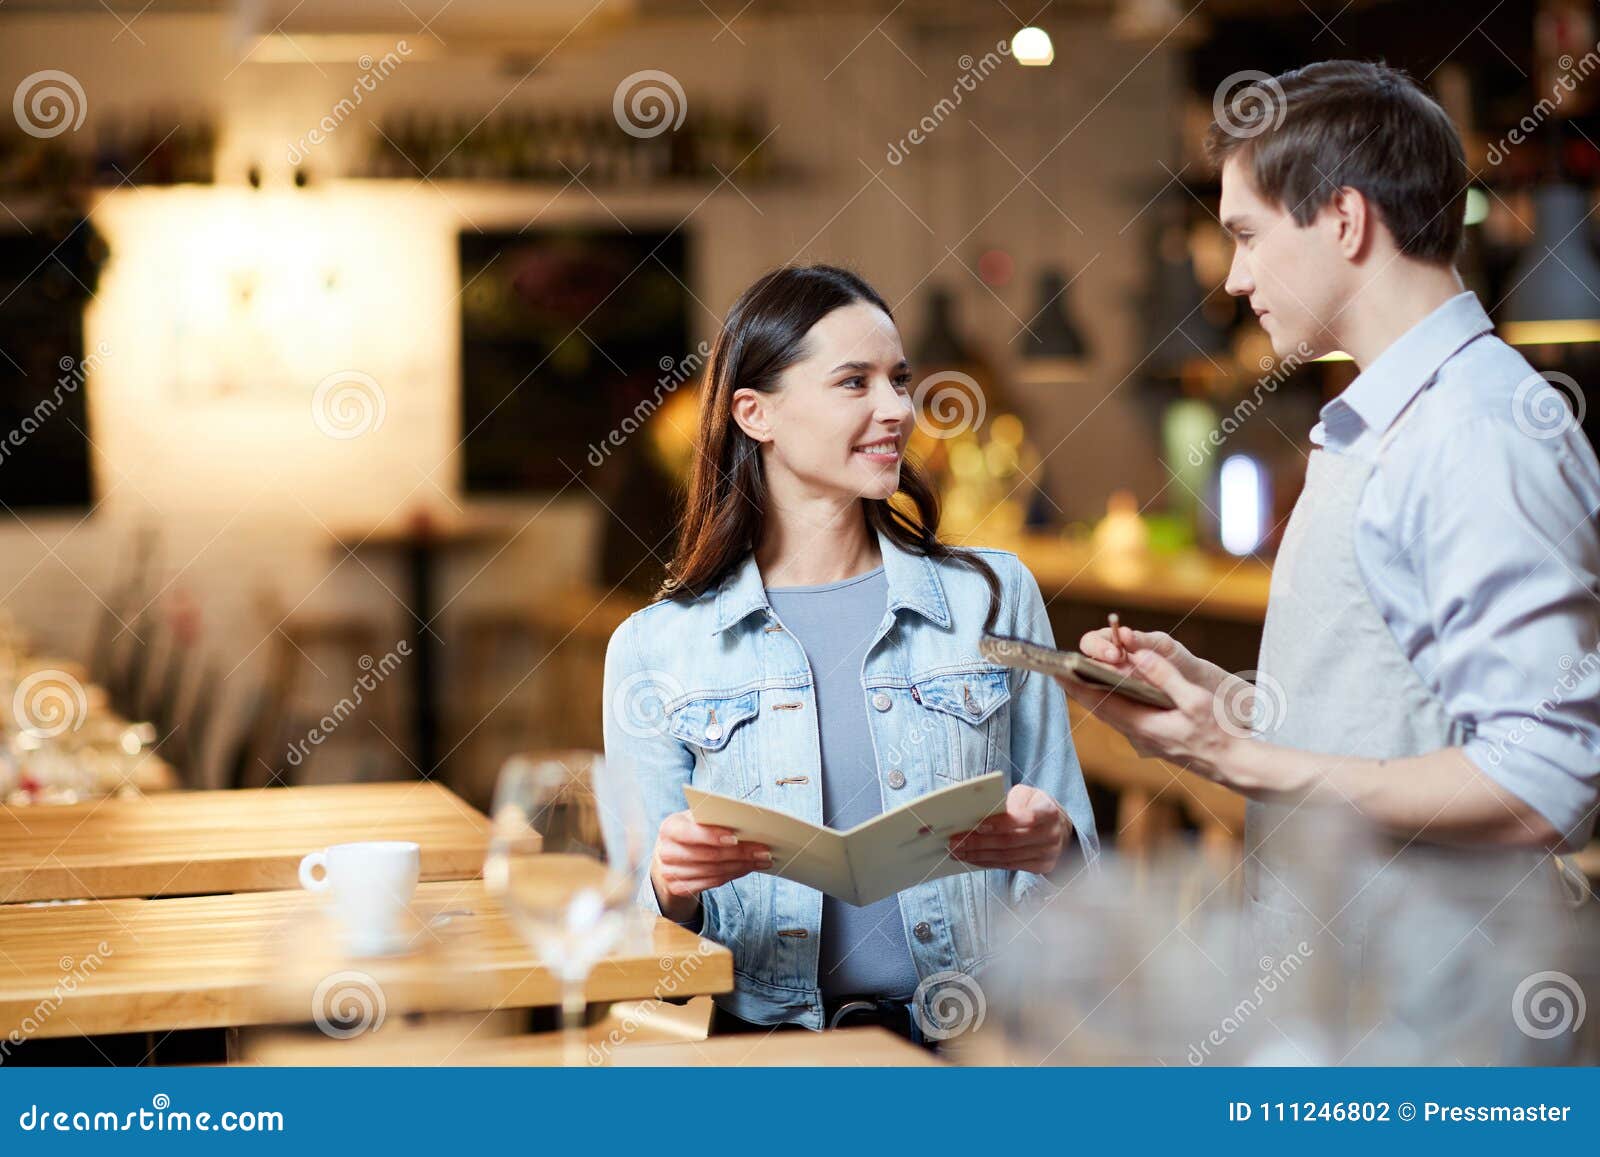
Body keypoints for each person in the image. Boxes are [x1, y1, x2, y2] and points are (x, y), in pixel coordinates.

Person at [1060, 60, 1600, 976]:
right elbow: (1388, 720)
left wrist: (1239, 756)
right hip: (1352, 1000)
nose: (1231, 278)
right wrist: (1217, 702)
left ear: (1345, 221)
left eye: (1247, 235)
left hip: (1441, 1032)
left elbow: (1542, 781)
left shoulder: (1476, 432)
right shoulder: (1378, 422)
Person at [603, 264, 1098, 1039]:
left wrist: (1056, 844)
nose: (897, 408)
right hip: (769, 1054)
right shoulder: (655, 647)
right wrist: (670, 886)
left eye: (899, 380)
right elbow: (635, 938)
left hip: (978, 1044)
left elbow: (1080, 870)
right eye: (854, 382)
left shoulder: (993, 598)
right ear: (755, 413)